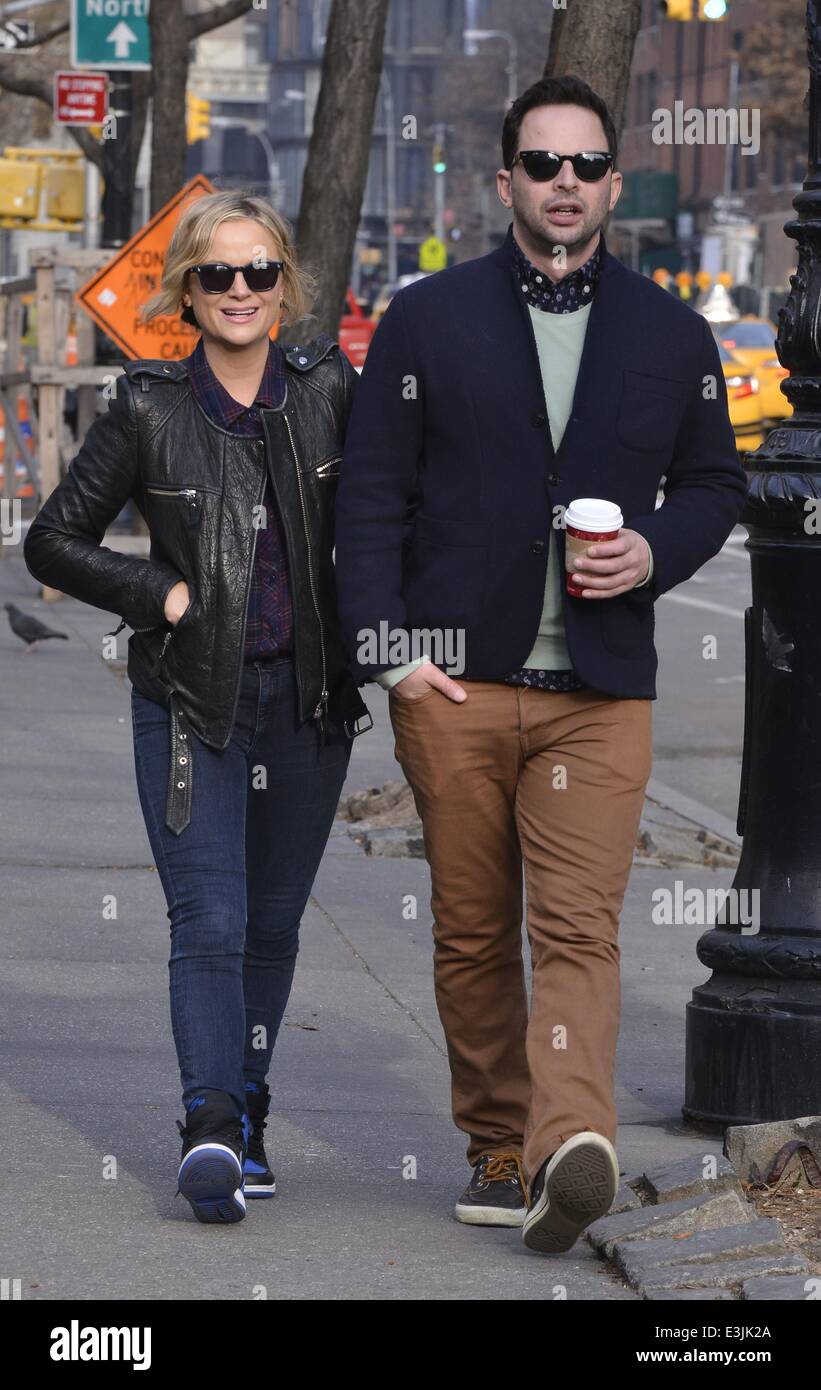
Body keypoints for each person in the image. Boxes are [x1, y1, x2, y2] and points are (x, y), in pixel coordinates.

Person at [334, 76, 747, 1254]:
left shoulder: (672, 331)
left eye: (584, 165)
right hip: (455, 684)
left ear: (612, 183)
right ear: (503, 180)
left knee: (577, 930)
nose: (562, 182)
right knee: (471, 930)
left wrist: (653, 551)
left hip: (598, 694)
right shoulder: (426, 318)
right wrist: (392, 655)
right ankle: (498, 1145)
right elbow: (371, 496)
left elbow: (717, 484)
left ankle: (572, 1143)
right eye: (541, 162)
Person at [24, 190, 371, 1225]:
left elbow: (389, 508)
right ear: (186, 287)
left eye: (257, 272)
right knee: (208, 918)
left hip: (307, 703)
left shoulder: (328, 393)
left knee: (270, 926)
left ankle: (250, 1108)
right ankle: (210, 1124)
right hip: (188, 701)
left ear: (284, 286)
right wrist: (157, 593)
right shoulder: (148, 408)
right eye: (216, 274)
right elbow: (52, 538)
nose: (238, 292)